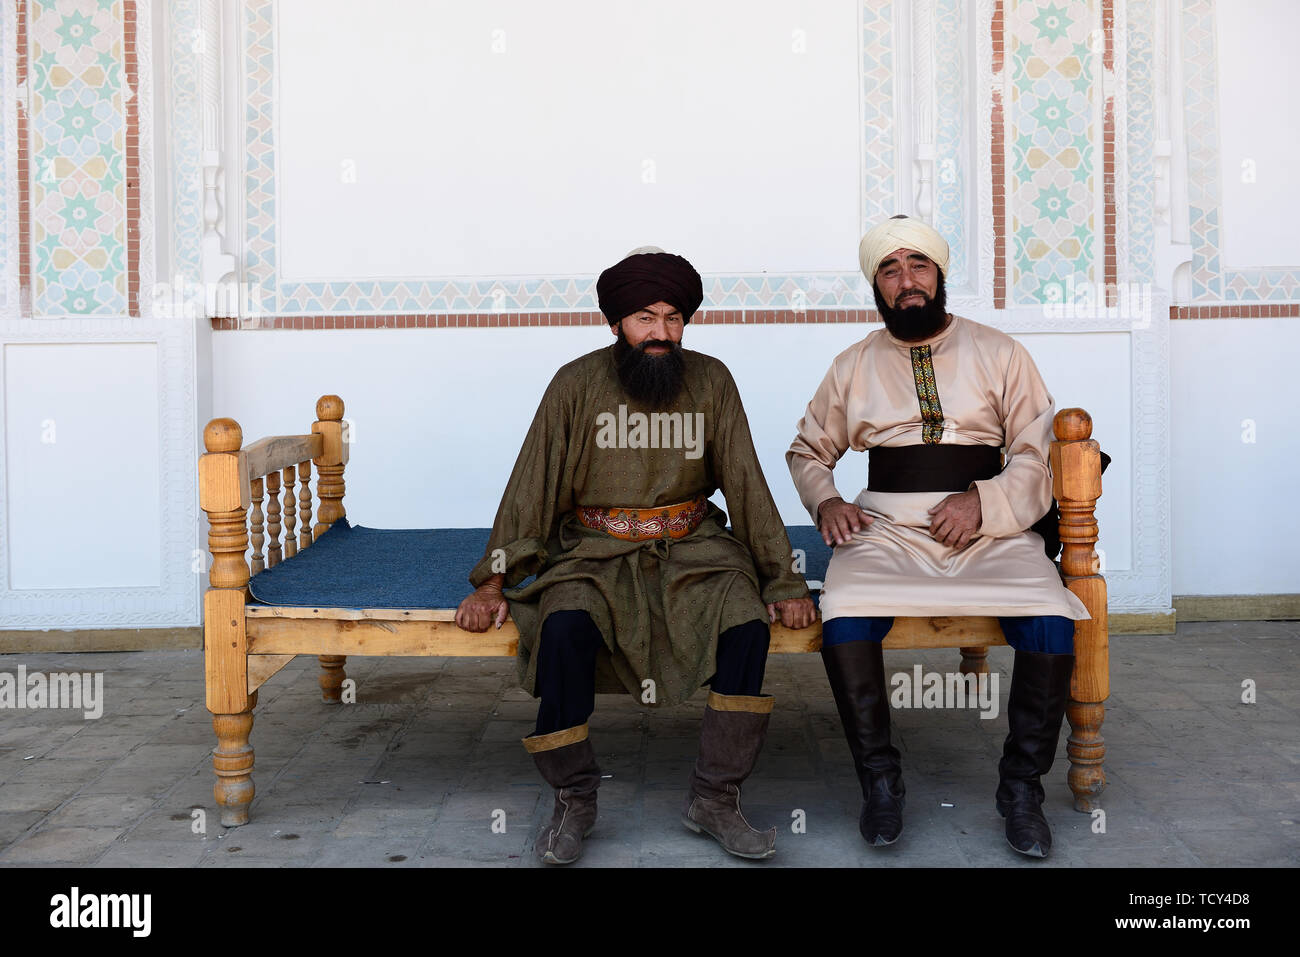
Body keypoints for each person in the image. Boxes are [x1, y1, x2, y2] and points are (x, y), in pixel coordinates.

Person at [457, 246, 815, 864]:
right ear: (618, 322)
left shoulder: (712, 379)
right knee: (563, 627)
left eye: (673, 318)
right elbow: (532, 485)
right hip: (594, 550)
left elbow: (746, 481)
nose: (661, 333)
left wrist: (784, 580)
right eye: (646, 317)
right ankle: (574, 799)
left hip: (695, 545)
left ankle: (716, 796)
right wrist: (493, 580)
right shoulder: (575, 383)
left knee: (746, 623)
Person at [786, 215, 1090, 858]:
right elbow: (808, 451)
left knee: (1050, 617)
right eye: (890, 271)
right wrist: (828, 501)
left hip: (991, 527)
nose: (906, 282)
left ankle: (1021, 789)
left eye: (918, 267)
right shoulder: (854, 363)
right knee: (843, 615)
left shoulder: (1000, 351)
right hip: (887, 529)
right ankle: (881, 782)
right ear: (877, 286)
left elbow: (1038, 452)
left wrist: (986, 501)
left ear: (940, 275)